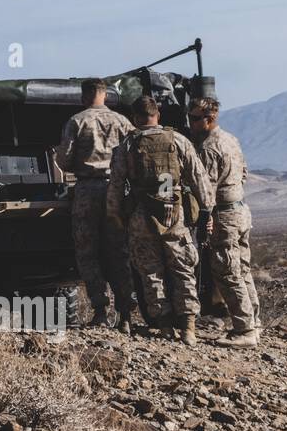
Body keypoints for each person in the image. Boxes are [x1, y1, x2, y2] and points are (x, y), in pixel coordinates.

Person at [108, 95, 214, 345]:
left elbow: (114, 186)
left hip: (140, 216)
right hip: (173, 213)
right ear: (158, 115)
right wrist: (206, 211)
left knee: (151, 272)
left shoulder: (127, 145)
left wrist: (114, 215)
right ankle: (188, 327)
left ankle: (165, 325)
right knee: (183, 268)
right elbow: (199, 178)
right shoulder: (178, 140)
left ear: (135, 119)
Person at [57, 78, 135, 333]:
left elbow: (65, 161)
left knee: (88, 252)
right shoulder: (123, 122)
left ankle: (101, 311)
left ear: (84, 96)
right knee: (119, 252)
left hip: (87, 189)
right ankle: (125, 315)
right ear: (106, 95)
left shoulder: (77, 121)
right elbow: (136, 155)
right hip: (116, 190)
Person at [190, 97, 261, 347]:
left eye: (195, 118)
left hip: (224, 214)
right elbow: (243, 173)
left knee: (227, 271)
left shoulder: (209, 148)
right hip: (241, 210)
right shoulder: (231, 140)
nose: (192, 123)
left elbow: (206, 188)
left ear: (209, 119)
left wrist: (205, 216)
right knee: (242, 268)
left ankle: (245, 329)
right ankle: (254, 322)